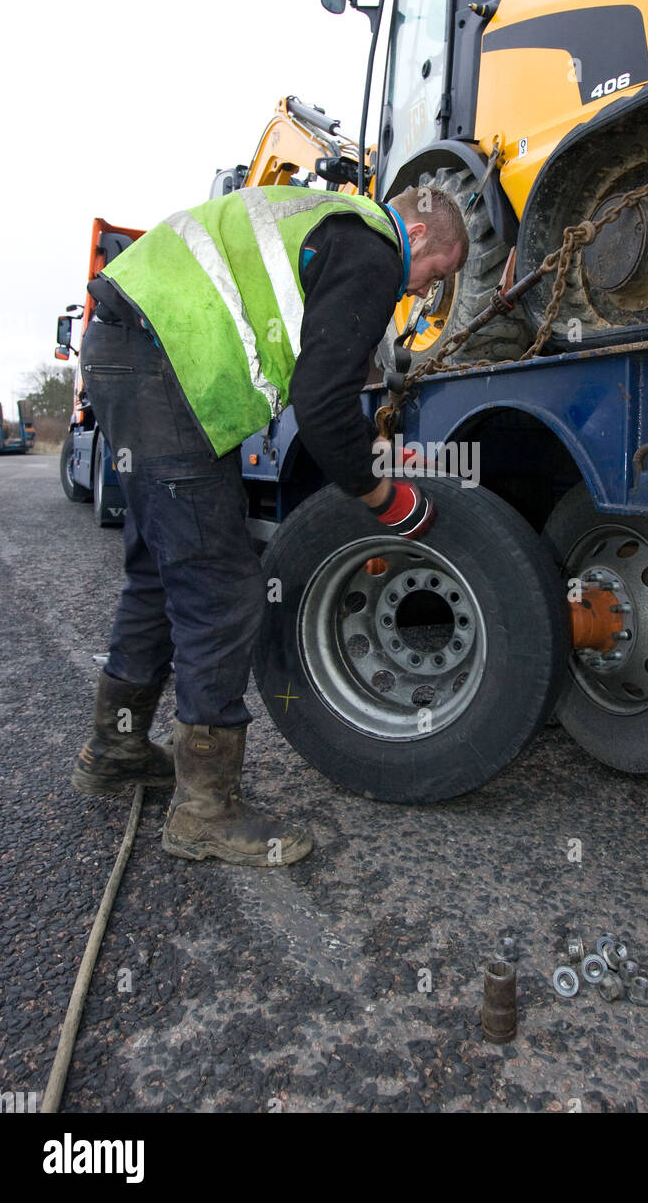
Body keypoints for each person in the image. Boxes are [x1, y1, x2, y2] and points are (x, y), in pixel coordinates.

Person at [70, 183, 468, 868]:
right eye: (438, 274)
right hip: (168, 366)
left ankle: (116, 750)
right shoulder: (374, 249)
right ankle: (204, 812)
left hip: (126, 347)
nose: (427, 291)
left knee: (158, 574)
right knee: (221, 591)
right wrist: (381, 496)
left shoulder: (323, 223)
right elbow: (322, 404)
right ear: (422, 236)